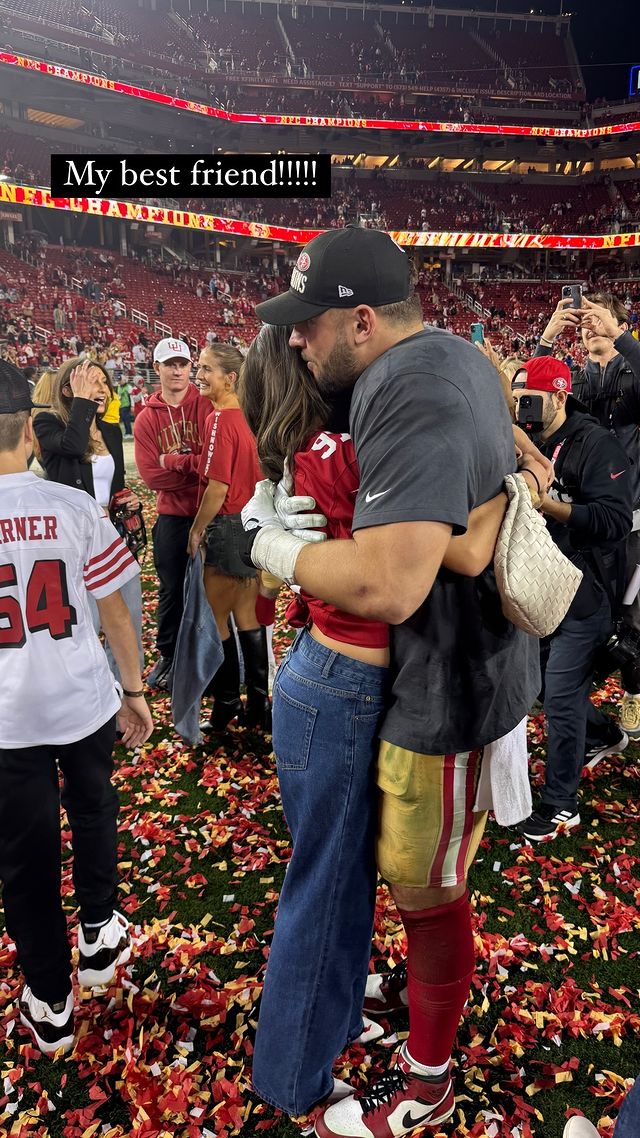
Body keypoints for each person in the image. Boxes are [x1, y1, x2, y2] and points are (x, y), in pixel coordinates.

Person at [243, 226, 541, 1138]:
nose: (299, 339)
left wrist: (274, 548)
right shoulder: (454, 361)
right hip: (380, 684)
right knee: (359, 887)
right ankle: (317, 1060)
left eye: (310, 324)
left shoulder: (392, 397)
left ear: (363, 321)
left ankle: (419, 1074)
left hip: (411, 690)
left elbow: (389, 578)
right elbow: (444, 543)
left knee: (400, 886)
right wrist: (492, 511)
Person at [0, 360, 153, 1056]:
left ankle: (51, 1001)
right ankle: (98, 931)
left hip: (7, 720)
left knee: (25, 859)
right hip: (82, 698)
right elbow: (117, 613)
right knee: (92, 808)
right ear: (31, 435)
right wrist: (135, 690)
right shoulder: (71, 505)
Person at [513, 358, 632, 841]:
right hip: (542, 584)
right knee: (541, 685)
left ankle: (561, 804)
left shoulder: (595, 443)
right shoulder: (528, 438)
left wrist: (550, 505)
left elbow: (614, 522)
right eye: (516, 395)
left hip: (584, 591)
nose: (520, 405)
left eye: (530, 396)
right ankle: (603, 733)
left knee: (560, 698)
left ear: (560, 396)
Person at [536, 292, 640, 737]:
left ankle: (632, 696)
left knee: (630, 618)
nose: (588, 323)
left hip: (629, 514)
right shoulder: (575, 379)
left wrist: (621, 335)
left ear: (620, 321)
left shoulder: (631, 371)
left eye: (599, 316)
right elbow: (530, 396)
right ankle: (577, 698)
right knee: (577, 612)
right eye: (583, 320)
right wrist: (547, 339)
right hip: (572, 517)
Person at [161, 344, 269, 730]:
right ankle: (258, 708)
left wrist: (195, 529)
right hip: (255, 526)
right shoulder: (254, 417)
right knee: (247, 616)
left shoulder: (220, 420)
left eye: (207, 369)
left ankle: (225, 706)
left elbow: (217, 488)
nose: (199, 375)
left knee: (217, 621)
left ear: (231, 378)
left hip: (226, 526)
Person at [32, 358, 144, 682]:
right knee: (86, 624)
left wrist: (127, 499)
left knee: (128, 619)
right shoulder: (48, 425)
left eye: (103, 382)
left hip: (113, 539)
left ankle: (123, 691)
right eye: (91, 382)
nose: (101, 389)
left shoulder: (110, 430)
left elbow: (113, 484)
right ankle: (92, 694)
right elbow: (73, 445)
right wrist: (80, 404)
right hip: (74, 545)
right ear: (69, 390)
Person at [133, 338, 210, 690]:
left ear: (190, 366)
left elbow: (216, 464)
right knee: (171, 589)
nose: (178, 370)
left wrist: (179, 464)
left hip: (213, 512)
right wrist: (198, 469)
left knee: (217, 588)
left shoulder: (208, 405)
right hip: (173, 517)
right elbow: (151, 476)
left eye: (183, 363)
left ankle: (214, 655)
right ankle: (169, 653)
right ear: (157, 369)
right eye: (170, 364)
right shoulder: (147, 418)